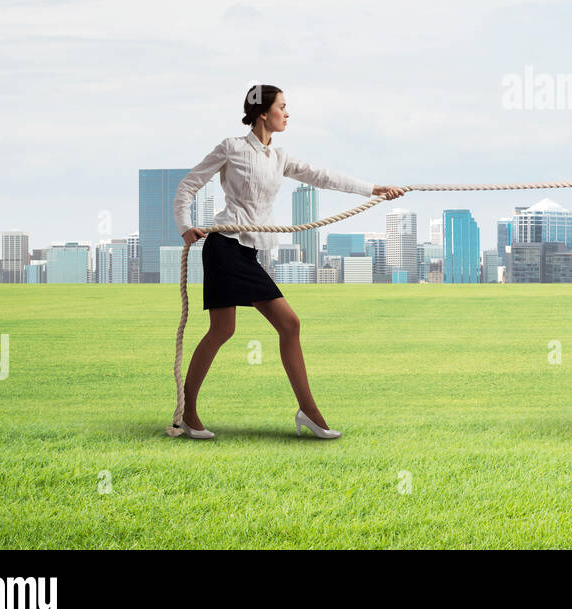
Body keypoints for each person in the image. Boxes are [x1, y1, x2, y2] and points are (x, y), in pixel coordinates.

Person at [171, 84, 406, 439]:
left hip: (247, 252)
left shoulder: (278, 157)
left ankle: (306, 412)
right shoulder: (231, 147)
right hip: (223, 247)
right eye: (282, 106)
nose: (287, 113)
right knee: (235, 329)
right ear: (262, 112)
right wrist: (185, 226)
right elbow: (188, 185)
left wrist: (374, 189)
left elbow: (322, 176)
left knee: (277, 326)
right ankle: (190, 413)